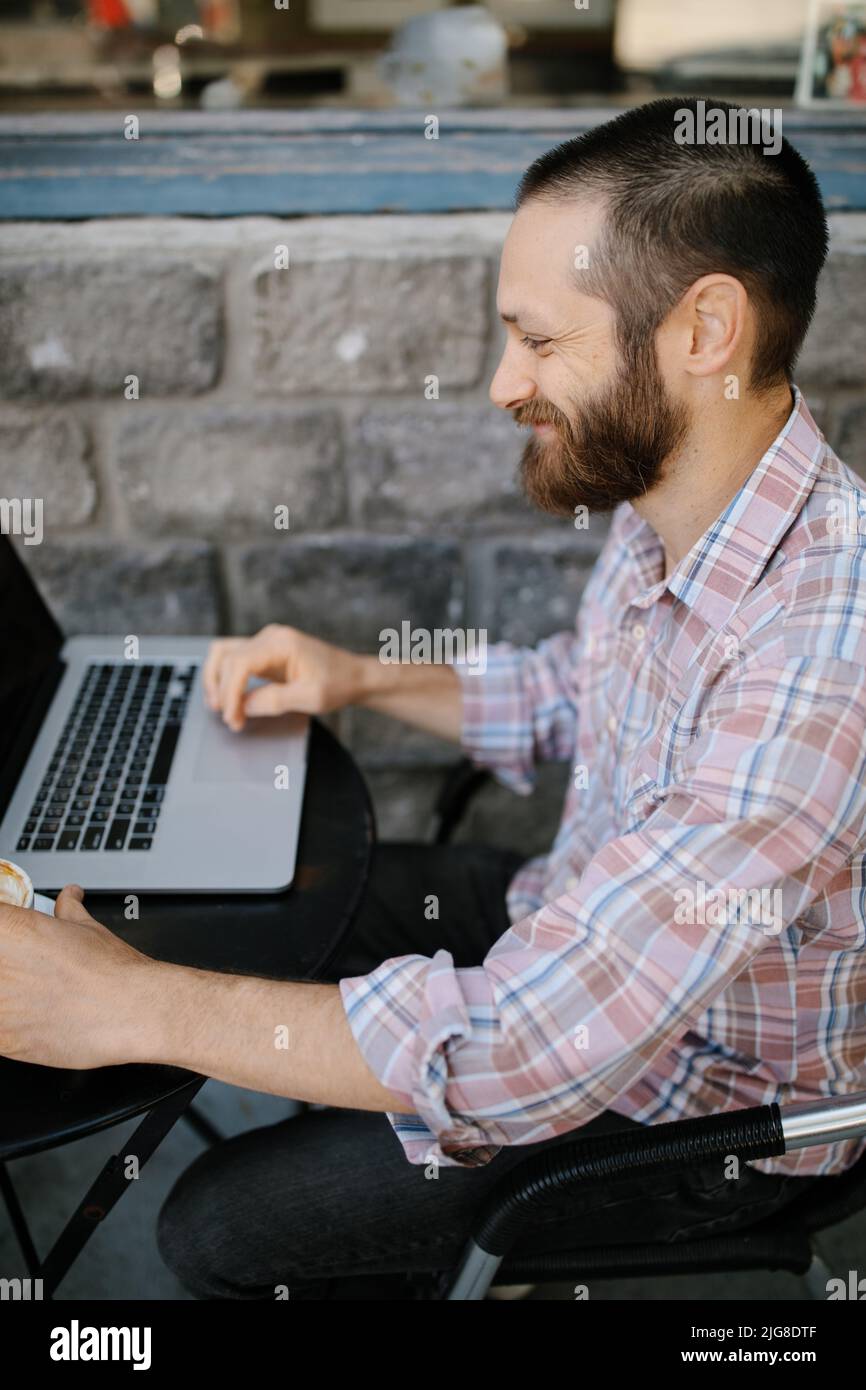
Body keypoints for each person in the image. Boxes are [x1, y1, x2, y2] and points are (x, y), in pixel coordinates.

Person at [2, 98, 864, 1300]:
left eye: (539, 340)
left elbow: (519, 1046)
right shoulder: (679, 490)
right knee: (205, 902)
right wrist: (357, 676)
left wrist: (118, 1007)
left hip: (708, 1117)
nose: (502, 384)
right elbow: (577, 694)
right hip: (567, 921)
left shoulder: (821, 666)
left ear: (701, 330)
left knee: (215, 1230)